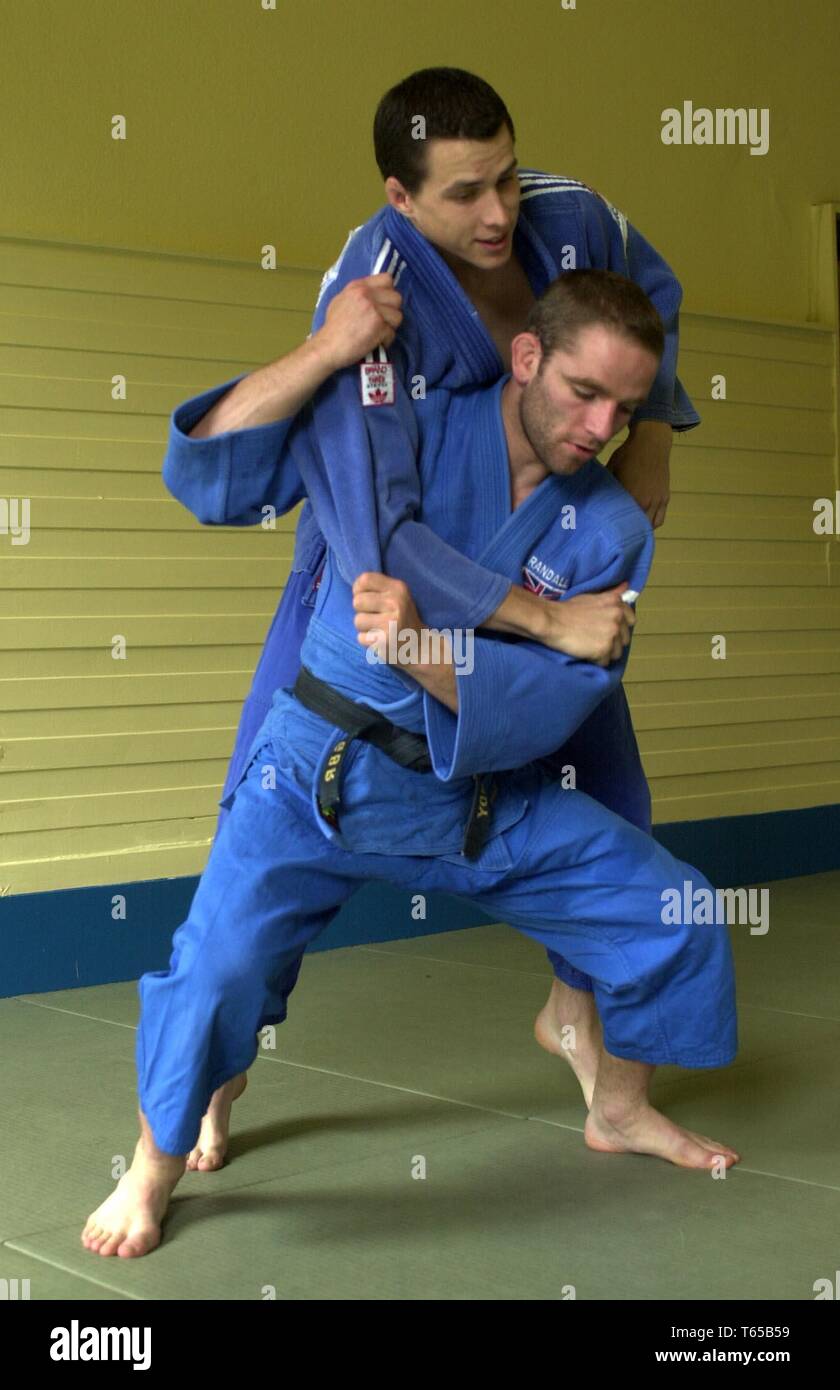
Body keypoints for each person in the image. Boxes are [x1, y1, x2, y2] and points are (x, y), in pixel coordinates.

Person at [81, 270, 738, 1260]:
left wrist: (429, 647)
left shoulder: (611, 527)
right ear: (527, 358)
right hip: (318, 774)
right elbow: (213, 467)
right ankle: (155, 1163)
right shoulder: (408, 428)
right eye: (582, 391)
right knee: (217, 973)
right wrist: (325, 350)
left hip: (482, 798)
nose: (599, 426)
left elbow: (555, 704)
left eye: (627, 408)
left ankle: (618, 1105)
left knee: (675, 909)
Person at [184, 68, 700, 1166]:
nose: (499, 213)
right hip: (376, 570)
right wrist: (542, 623)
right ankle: (214, 1082)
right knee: (267, 807)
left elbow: (647, 301)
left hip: (533, 538)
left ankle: (594, 1052)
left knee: (612, 790)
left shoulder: (577, 218)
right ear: (401, 194)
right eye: (466, 192)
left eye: (506, 176)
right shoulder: (370, 285)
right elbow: (384, 533)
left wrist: (650, 431)